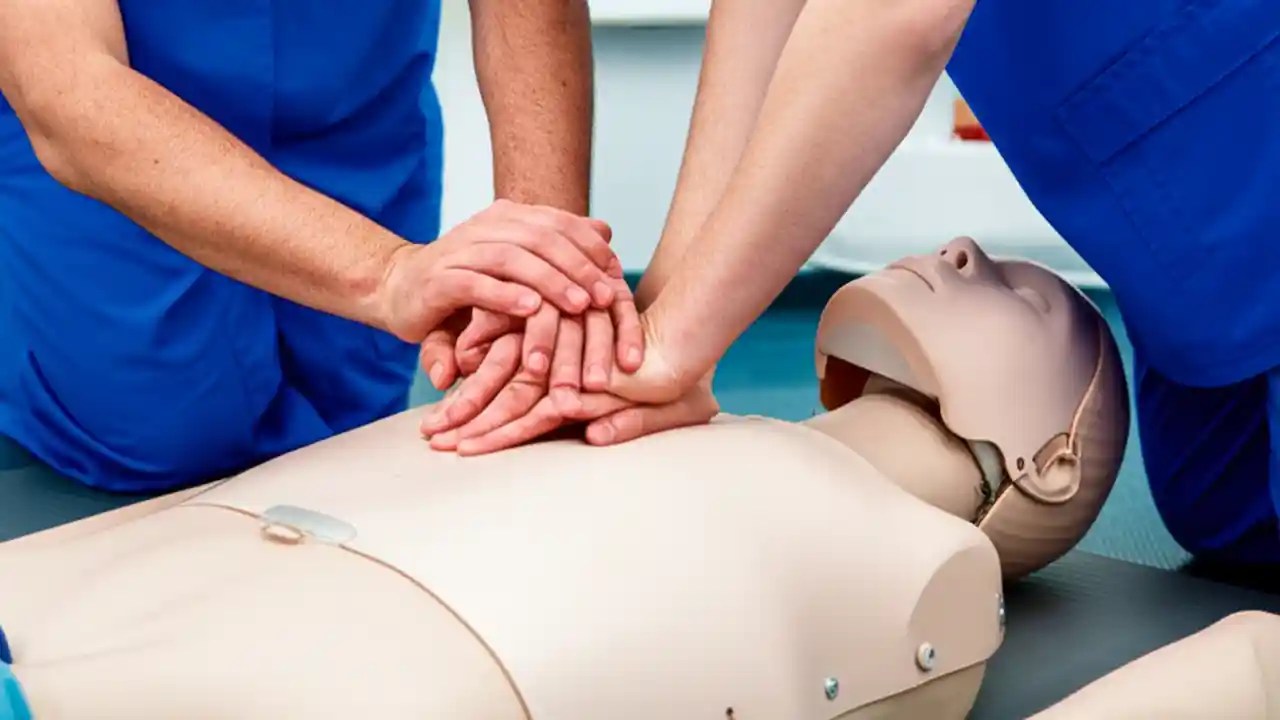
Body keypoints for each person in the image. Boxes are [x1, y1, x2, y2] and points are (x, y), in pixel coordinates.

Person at [0, 241, 1129, 718]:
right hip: (208, 543)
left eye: (1021, 292)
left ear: (1059, 463)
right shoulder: (689, 433)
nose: (959, 251)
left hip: (401, 663)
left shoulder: (927, 569)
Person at [425, 0, 1280, 568]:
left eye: (1023, 293)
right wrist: (653, 335)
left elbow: (898, 11)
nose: (959, 251)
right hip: (1186, 225)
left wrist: (673, 342)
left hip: (1229, 137)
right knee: (1219, 513)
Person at [0, 1, 643, 495]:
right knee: (156, 431)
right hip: (114, 155)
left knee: (351, 445)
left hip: (355, 115)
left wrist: (541, 274)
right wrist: (387, 273)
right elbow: (68, 87)